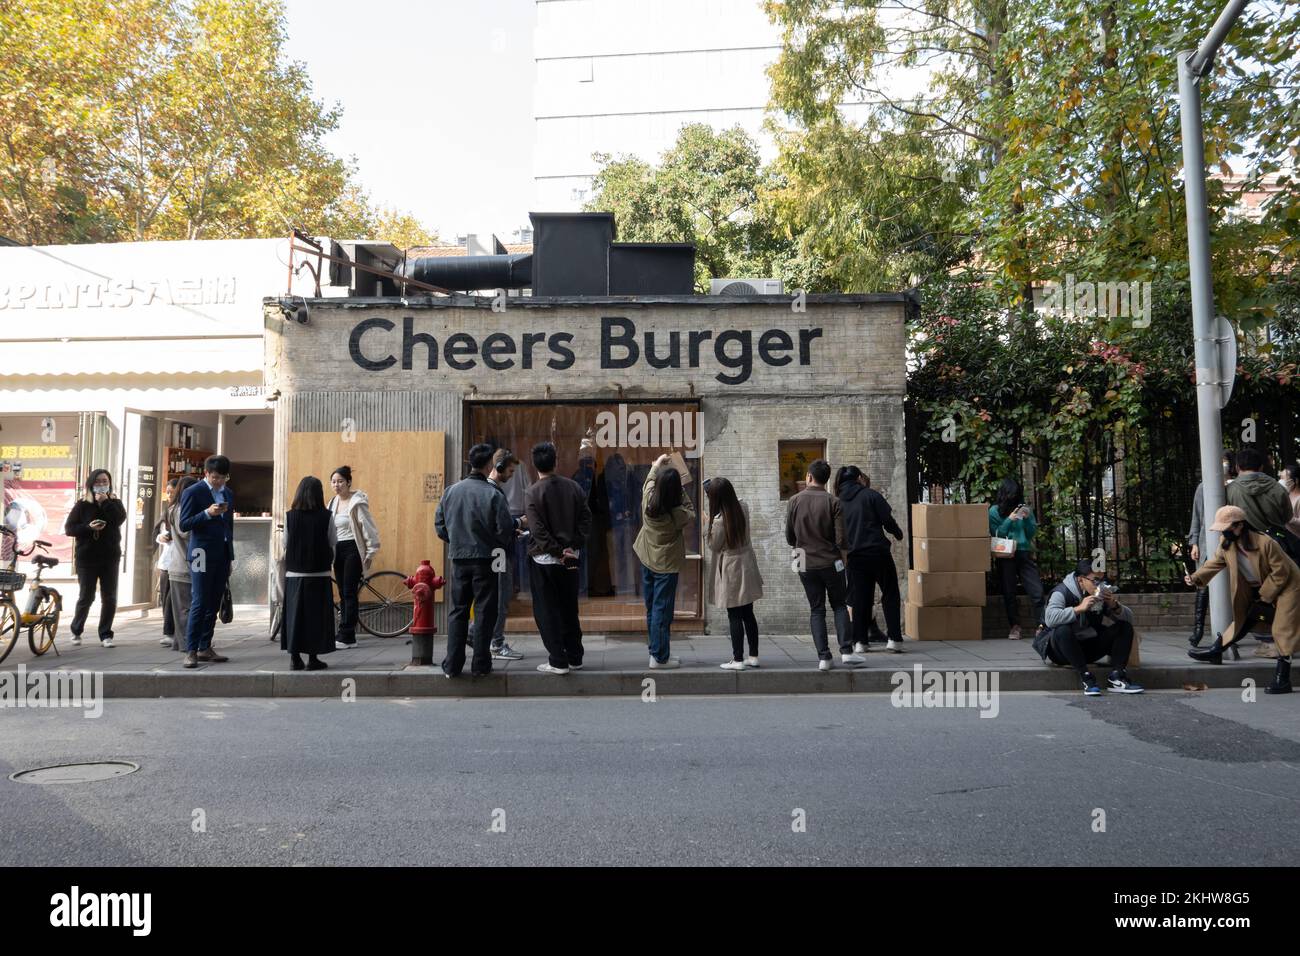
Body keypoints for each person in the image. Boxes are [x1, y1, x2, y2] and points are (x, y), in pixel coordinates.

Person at [1186, 505, 1300, 694]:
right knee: (1244, 618)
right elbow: (1215, 563)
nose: (1223, 531)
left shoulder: (1266, 543)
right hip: (1263, 586)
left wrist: (1264, 597)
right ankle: (1216, 651)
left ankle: (1283, 678)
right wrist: (1196, 578)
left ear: (1240, 526)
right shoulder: (1227, 542)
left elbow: (1282, 573)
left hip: (1290, 586)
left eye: (1227, 527)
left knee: (1283, 630)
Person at [434, 443, 514, 678]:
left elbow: (440, 526)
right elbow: (505, 529)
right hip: (486, 559)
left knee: (458, 611)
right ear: (490, 464)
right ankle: (480, 664)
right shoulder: (492, 493)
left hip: (458, 558)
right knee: (484, 611)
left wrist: (457, 539)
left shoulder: (450, 491)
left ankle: (453, 665)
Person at [786, 458, 862, 670]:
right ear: (826, 480)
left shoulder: (794, 501)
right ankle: (846, 651)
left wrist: (800, 544)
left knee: (816, 609)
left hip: (803, 559)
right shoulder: (833, 502)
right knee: (838, 604)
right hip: (830, 559)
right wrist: (842, 558)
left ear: (809, 477)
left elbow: (789, 536)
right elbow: (841, 539)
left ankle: (824, 657)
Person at [525, 441, 592, 674]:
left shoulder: (532, 492)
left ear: (535, 466)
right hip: (571, 558)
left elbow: (537, 530)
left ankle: (557, 659)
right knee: (568, 608)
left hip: (544, 560)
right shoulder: (574, 487)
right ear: (556, 461)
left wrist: (556, 551)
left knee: (546, 610)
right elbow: (586, 520)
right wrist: (571, 547)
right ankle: (575, 656)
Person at [1034, 558, 1144, 696]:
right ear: (1081, 580)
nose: (1100, 585)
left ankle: (1117, 677)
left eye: (1102, 581)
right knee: (1062, 630)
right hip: (1062, 651)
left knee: (1124, 627)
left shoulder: (1099, 595)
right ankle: (1086, 677)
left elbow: (1130, 620)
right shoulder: (1061, 592)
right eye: (1095, 581)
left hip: (1089, 648)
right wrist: (1079, 609)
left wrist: (1114, 606)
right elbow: (1050, 619)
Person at [633, 454, 695, 669]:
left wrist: (656, 465)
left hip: (647, 557)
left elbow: (649, 482)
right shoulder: (678, 513)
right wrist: (679, 487)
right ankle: (660, 657)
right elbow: (691, 511)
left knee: (652, 608)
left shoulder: (649, 501)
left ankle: (655, 652)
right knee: (662, 610)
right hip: (666, 565)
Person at [836, 465, 905, 654]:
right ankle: (894, 639)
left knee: (861, 599)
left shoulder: (837, 501)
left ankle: (860, 642)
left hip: (854, 557)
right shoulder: (870, 495)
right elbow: (887, 520)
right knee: (890, 593)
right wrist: (898, 533)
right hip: (878, 553)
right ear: (859, 478)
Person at [468, 450, 526, 662]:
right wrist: (519, 524)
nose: (511, 475)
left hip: (490, 552)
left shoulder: (485, 490)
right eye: (510, 470)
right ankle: (497, 643)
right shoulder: (493, 492)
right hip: (499, 554)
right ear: (498, 467)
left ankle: (474, 633)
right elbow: (501, 528)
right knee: (500, 598)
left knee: (491, 598)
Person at [179, 454, 235, 668]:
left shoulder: (228, 493)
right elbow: (184, 524)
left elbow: (229, 526)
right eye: (215, 477)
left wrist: (230, 556)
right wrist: (207, 513)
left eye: (223, 477)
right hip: (200, 551)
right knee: (200, 600)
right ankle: (190, 650)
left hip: (221, 552)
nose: (219, 481)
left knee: (214, 600)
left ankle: (205, 645)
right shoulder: (193, 492)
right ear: (206, 474)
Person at [63, 469, 127, 647]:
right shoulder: (82, 504)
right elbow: (69, 528)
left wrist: (106, 502)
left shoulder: (114, 502)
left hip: (110, 556)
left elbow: (119, 519)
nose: (101, 484)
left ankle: (106, 634)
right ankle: (76, 630)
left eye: (104, 481)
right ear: (91, 484)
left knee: (110, 597)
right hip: (87, 557)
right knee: (86, 596)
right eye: (97, 481)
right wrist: (88, 527)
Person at [706, 476, 764, 669]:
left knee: (734, 614)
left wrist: (709, 524)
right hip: (747, 563)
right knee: (748, 612)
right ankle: (753, 656)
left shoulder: (719, 521)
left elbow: (714, 546)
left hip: (731, 567)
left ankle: (737, 659)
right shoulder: (743, 507)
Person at [283, 476, 337, 671]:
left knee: (295, 617)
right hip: (319, 574)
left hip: (294, 575)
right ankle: (313, 658)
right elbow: (333, 541)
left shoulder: (290, 516)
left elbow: (285, 544)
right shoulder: (326, 516)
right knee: (316, 617)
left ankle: (294, 658)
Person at [327, 465, 381, 649]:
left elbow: (367, 527)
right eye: (334, 482)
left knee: (349, 592)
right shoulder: (332, 503)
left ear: (349, 482)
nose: (337, 485)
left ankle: (347, 635)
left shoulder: (357, 502)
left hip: (353, 549)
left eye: (340, 481)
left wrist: (371, 550)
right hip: (337, 550)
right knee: (342, 592)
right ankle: (345, 632)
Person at [1187, 453, 1237, 647]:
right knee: (1203, 584)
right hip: (1207, 541)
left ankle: (1230, 630)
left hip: (1230, 542)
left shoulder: (1234, 488)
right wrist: (1194, 543)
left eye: (1225, 461)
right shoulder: (1203, 487)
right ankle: (1198, 628)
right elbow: (1197, 516)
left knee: (1231, 586)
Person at [988, 477, 1045, 640]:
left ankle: (1041, 627)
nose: (1013, 498)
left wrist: (1027, 520)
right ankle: (1015, 627)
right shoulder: (994, 511)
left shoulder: (1024, 509)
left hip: (1023, 551)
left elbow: (1030, 533)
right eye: (1011, 495)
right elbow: (997, 533)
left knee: (1037, 591)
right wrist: (1009, 520)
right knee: (1009, 591)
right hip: (1006, 555)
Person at [158, 477, 195, 651]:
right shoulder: (180, 510)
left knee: (181, 606)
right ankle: (186, 644)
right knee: (184, 608)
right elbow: (185, 532)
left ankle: (180, 642)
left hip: (180, 564)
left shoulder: (174, 508)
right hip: (182, 564)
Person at [1226, 446, 1293, 536]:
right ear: (1261, 467)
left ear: (1237, 467)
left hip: (1244, 544)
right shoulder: (1278, 488)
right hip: (1275, 543)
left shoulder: (1229, 490)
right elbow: (1287, 517)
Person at [154, 478, 180, 646]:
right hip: (166, 562)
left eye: (172, 492)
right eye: (168, 492)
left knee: (173, 599)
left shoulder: (182, 510)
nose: (169, 495)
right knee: (166, 598)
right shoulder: (166, 511)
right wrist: (161, 537)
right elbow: (158, 533)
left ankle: (171, 631)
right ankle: (168, 631)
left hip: (178, 562)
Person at [1282, 460, 1300, 538]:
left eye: (1283, 478)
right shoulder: (1286, 495)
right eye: (1280, 478)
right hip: (1287, 539)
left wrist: (1288, 518)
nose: (1281, 481)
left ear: (1295, 481)